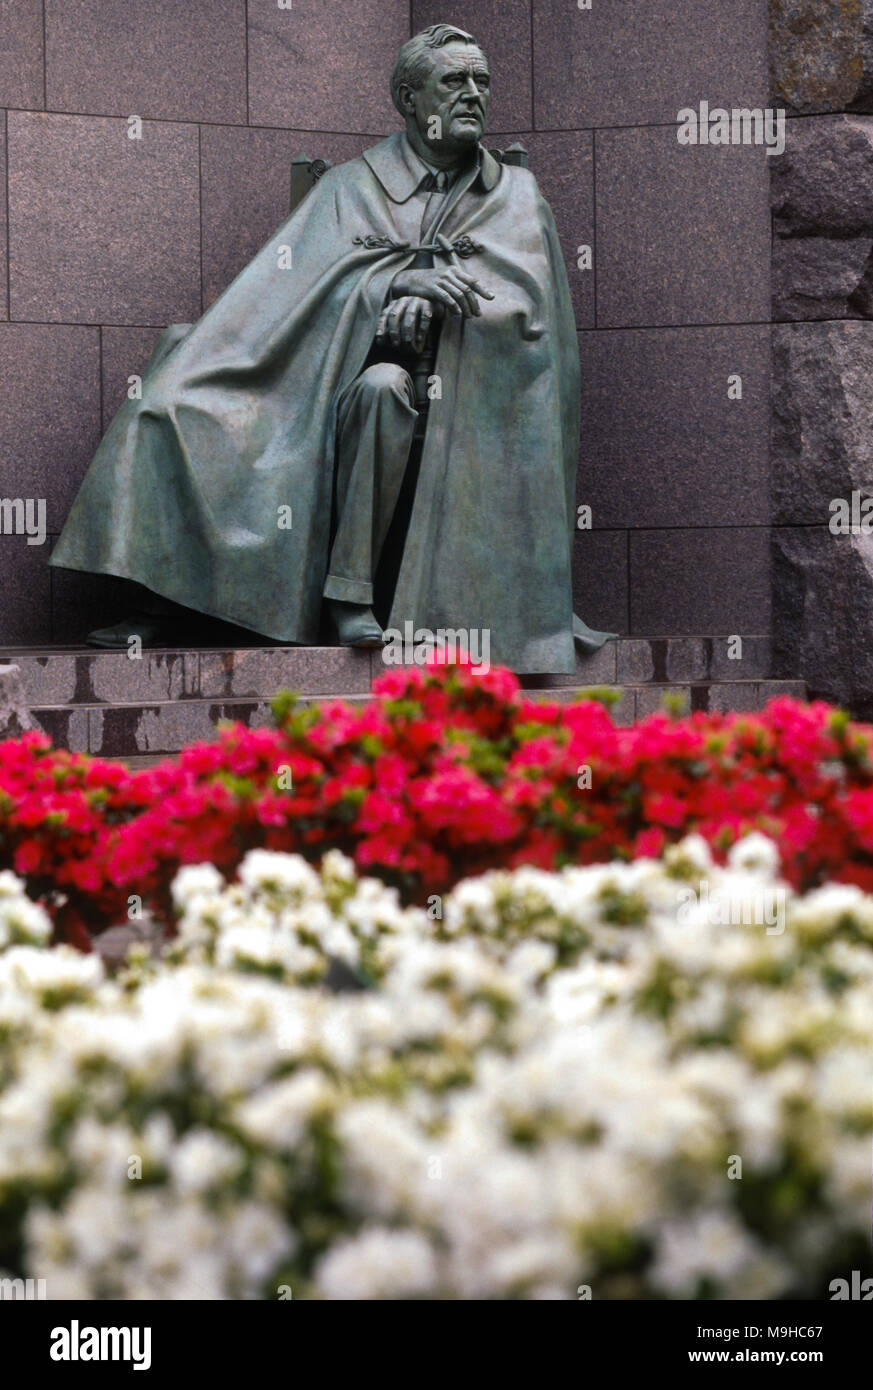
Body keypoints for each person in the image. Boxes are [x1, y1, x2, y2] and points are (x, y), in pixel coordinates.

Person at [50, 24, 613, 671]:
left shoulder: (514, 195)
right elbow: (283, 294)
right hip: (318, 372)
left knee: (383, 392)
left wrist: (430, 306)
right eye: (453, 81)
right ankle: (169, 594)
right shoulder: (349, 186)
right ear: (408, 98)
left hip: (452, 390)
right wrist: (389, 285)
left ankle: (351, 595)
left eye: (481, 82)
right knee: (171, 399)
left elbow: (532, 315)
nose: (472, 95)